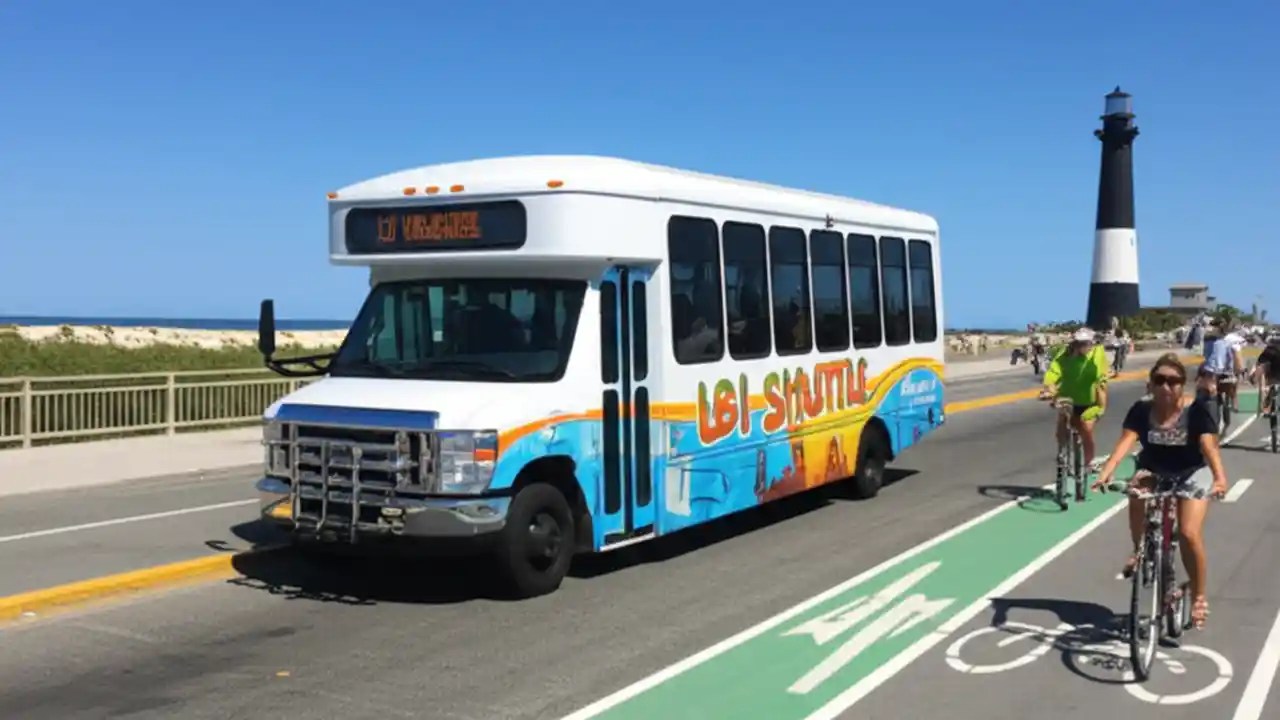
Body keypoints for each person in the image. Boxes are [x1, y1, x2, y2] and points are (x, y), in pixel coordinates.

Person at [1093, 353, 1229, 630]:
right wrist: (1107, 471)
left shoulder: (1196, 411)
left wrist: (1219, 478)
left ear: (1183, 385)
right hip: (1154, 469)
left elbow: (1208, 446)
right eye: (1160, 380)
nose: (1166, 387)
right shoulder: (1142, 410)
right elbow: (1126, 442)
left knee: (1189, 533)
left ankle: (1199, 596)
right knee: (1135, 491)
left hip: (1192, 471)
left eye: (1173, 382)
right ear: (1151, 384)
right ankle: (1139, 548)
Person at [1038, 327, 1110, 471]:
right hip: (1068, 398)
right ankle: (1062, 453)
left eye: (1086, 343)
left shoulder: (1098, 352)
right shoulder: (1065, 354)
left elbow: (1102, 373)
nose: (1083, 346)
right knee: (1062, 425)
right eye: (1079, 343)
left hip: (1090, 401)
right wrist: (1049, 387)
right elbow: (1054, 370)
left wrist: (1102, 384)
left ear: (1092, 342)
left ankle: (1089, 461)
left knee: (1086, 429)